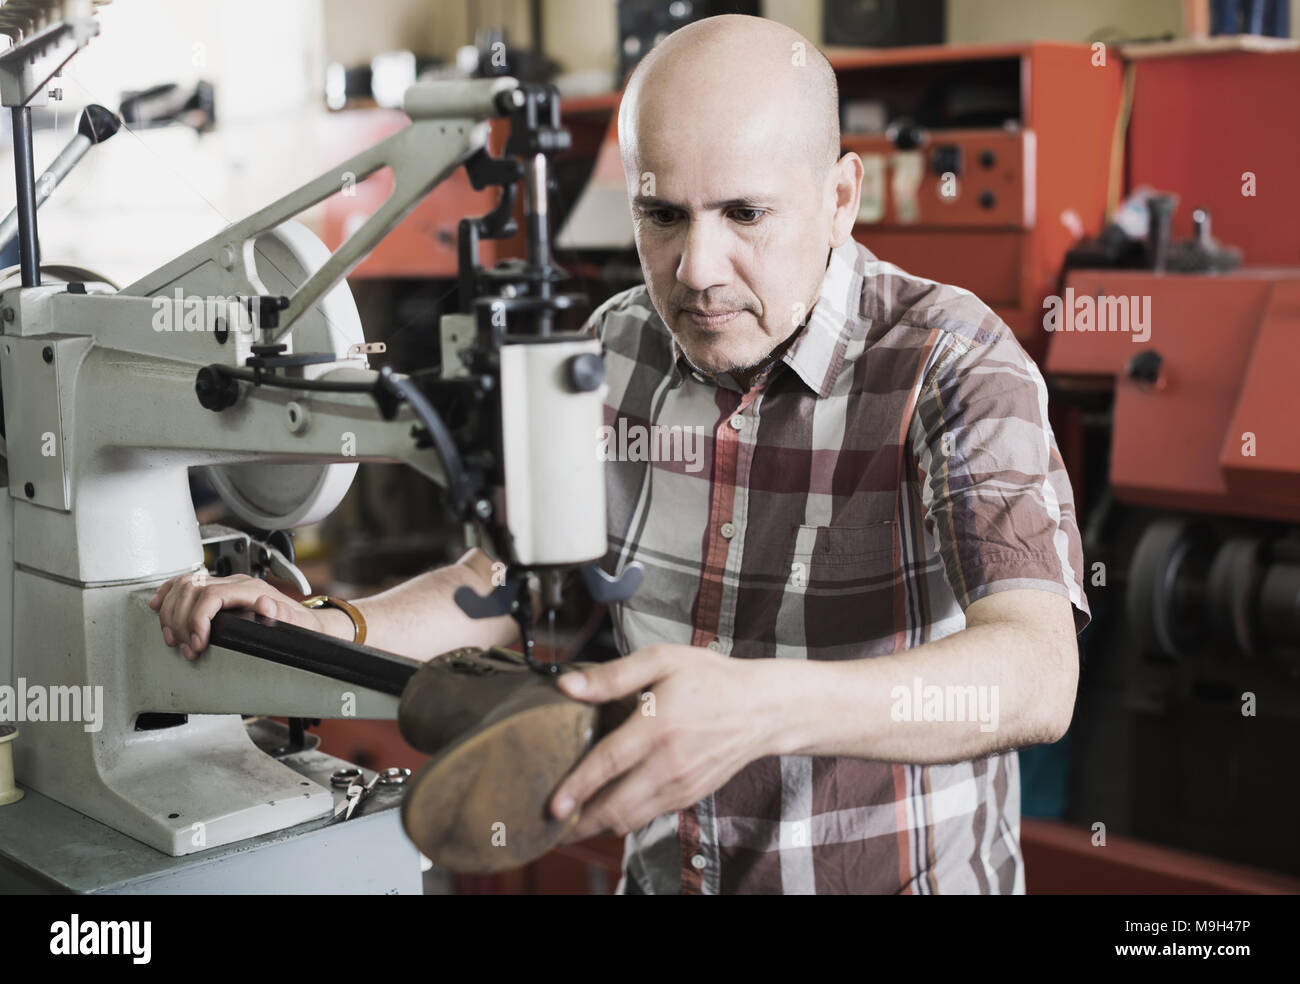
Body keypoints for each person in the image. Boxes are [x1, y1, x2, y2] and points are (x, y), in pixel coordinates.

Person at [150, 13, 1089, 894]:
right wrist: (324, 629)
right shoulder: (616, 347)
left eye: (745, 215)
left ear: (839, 197)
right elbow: (505, 585)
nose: (697, 270)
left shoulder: (950, 362)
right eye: (663, 216)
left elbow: (1037, 673)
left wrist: (758, 708)